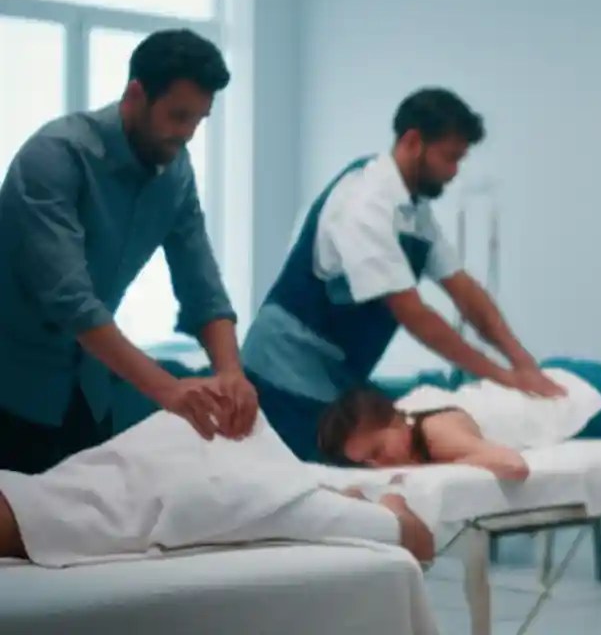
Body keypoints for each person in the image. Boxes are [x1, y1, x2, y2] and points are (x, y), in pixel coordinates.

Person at [240, 88, 564, 462]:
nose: (455, 171)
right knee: (324, 477)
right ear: (413, 142)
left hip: (340, 372)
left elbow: (465, 292)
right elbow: (414, 315)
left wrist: (522, 361)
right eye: (450, 158)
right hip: (286, 368)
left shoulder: (412, 211)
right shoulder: (363, 203)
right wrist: (501, 376)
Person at [0, 29, 258, 475]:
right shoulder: (55, 157)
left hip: (88, 391)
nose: (187, 135)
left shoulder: (175, 169)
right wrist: (169, 390)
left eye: (199, 120)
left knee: (80, 534)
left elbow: (202, 285)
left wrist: (230, 371)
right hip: (13, 388)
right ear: (136, 93)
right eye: (178, 116)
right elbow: (72, 303)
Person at [0, 410, 434, 567]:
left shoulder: (285, 489)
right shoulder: (279, 490)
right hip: (63, 495)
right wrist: (392, 501)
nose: (379, 465)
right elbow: (415, 538)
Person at [316, 357, 601, 476]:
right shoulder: (405, 407)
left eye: (378, 451)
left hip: (596, 399)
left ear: (394, 422)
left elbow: (512, 464)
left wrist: (433, 468)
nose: (378, 465)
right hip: (555, 377)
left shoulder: (437, 431)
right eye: (365, 462)